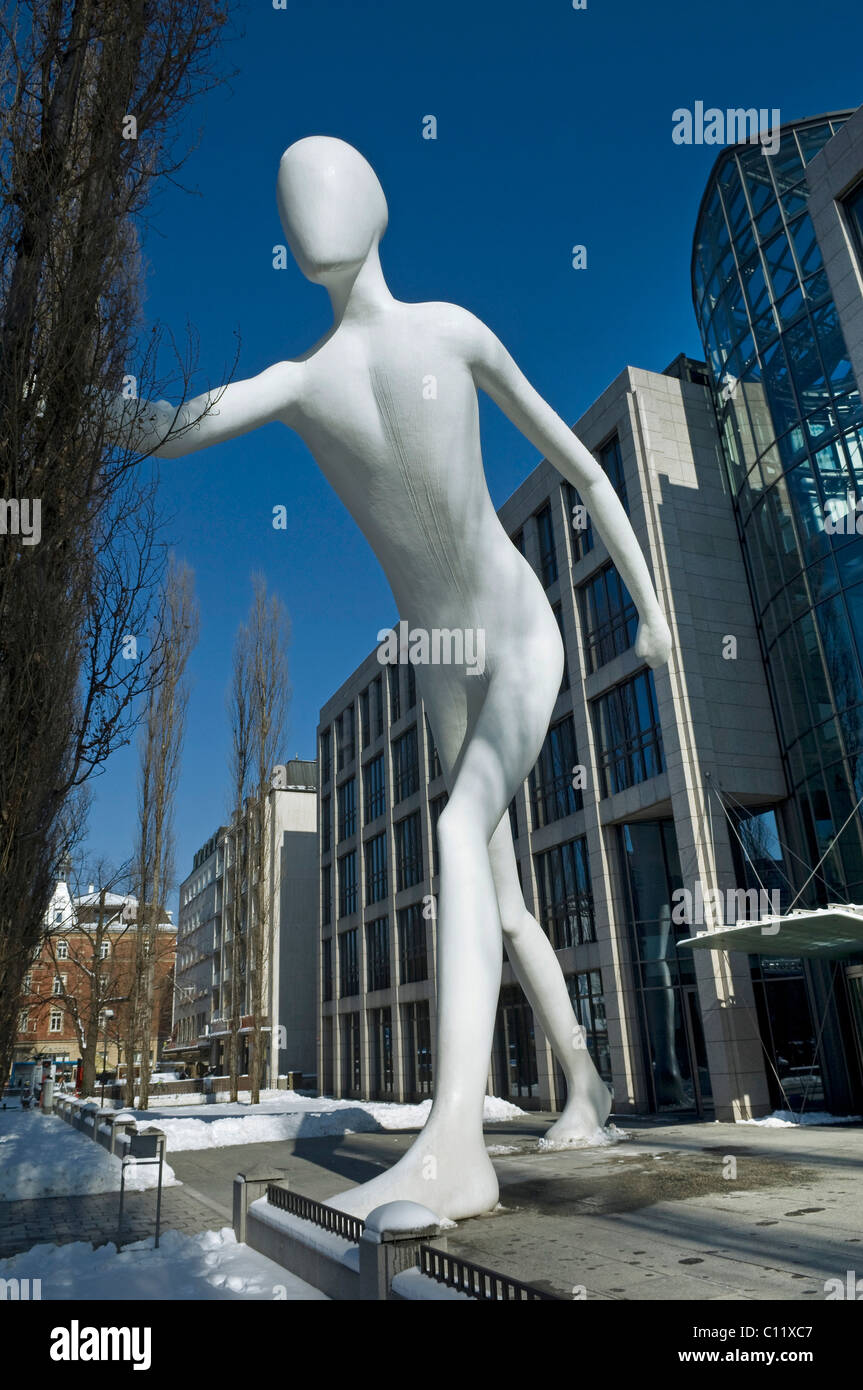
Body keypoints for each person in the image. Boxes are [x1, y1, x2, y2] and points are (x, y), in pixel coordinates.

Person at [111, 137, 672, 1221]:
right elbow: (176, 425)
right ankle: (588, 1084)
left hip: (515, 633)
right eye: (290, 200)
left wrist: (648, 613)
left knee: (460, 834)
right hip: (438, 672)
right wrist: (71, 408)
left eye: (326, 185)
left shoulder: (450, 329)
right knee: (501, 902)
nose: (308, 210)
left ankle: (454, 1143)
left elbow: (584, 464)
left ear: (374, 205)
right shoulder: (301, 380)